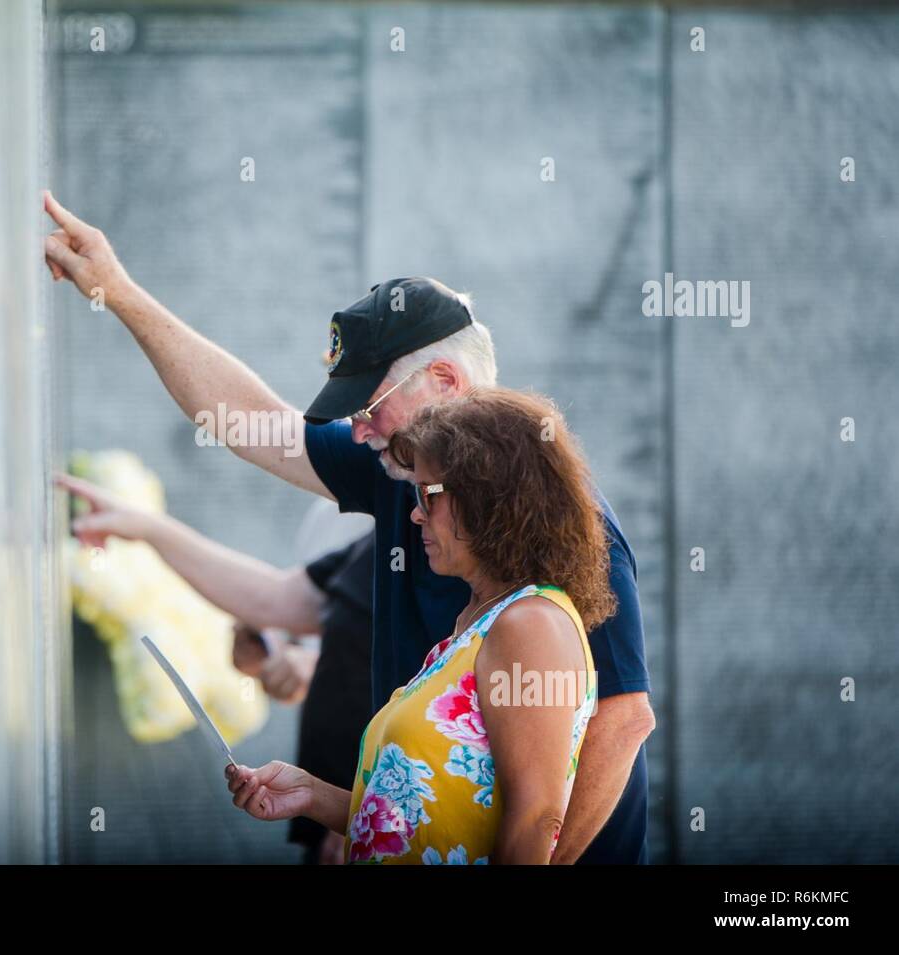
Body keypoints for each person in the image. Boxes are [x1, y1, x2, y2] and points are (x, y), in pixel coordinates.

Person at [42, 191, 655, 863]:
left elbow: (620, 721)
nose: (357, 433)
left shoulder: (567, 527)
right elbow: (256, 424)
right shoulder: (399, 472)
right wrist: (117, 291)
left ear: (445, 381)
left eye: (368, 407)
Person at [228, 389, 611, 863]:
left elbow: (536, 818)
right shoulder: (476, 623)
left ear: (490, 499)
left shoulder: (529, 625)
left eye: (427, 494)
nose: (414, 513)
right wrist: (310, 794)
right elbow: (424, 818)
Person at [56, 473, 373, 864]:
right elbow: (282, 602)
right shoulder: (342, 519)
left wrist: (363, 821)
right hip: (328, 809)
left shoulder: (433, 537)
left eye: (373, 411)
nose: (360, 428)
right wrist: (147, 527)